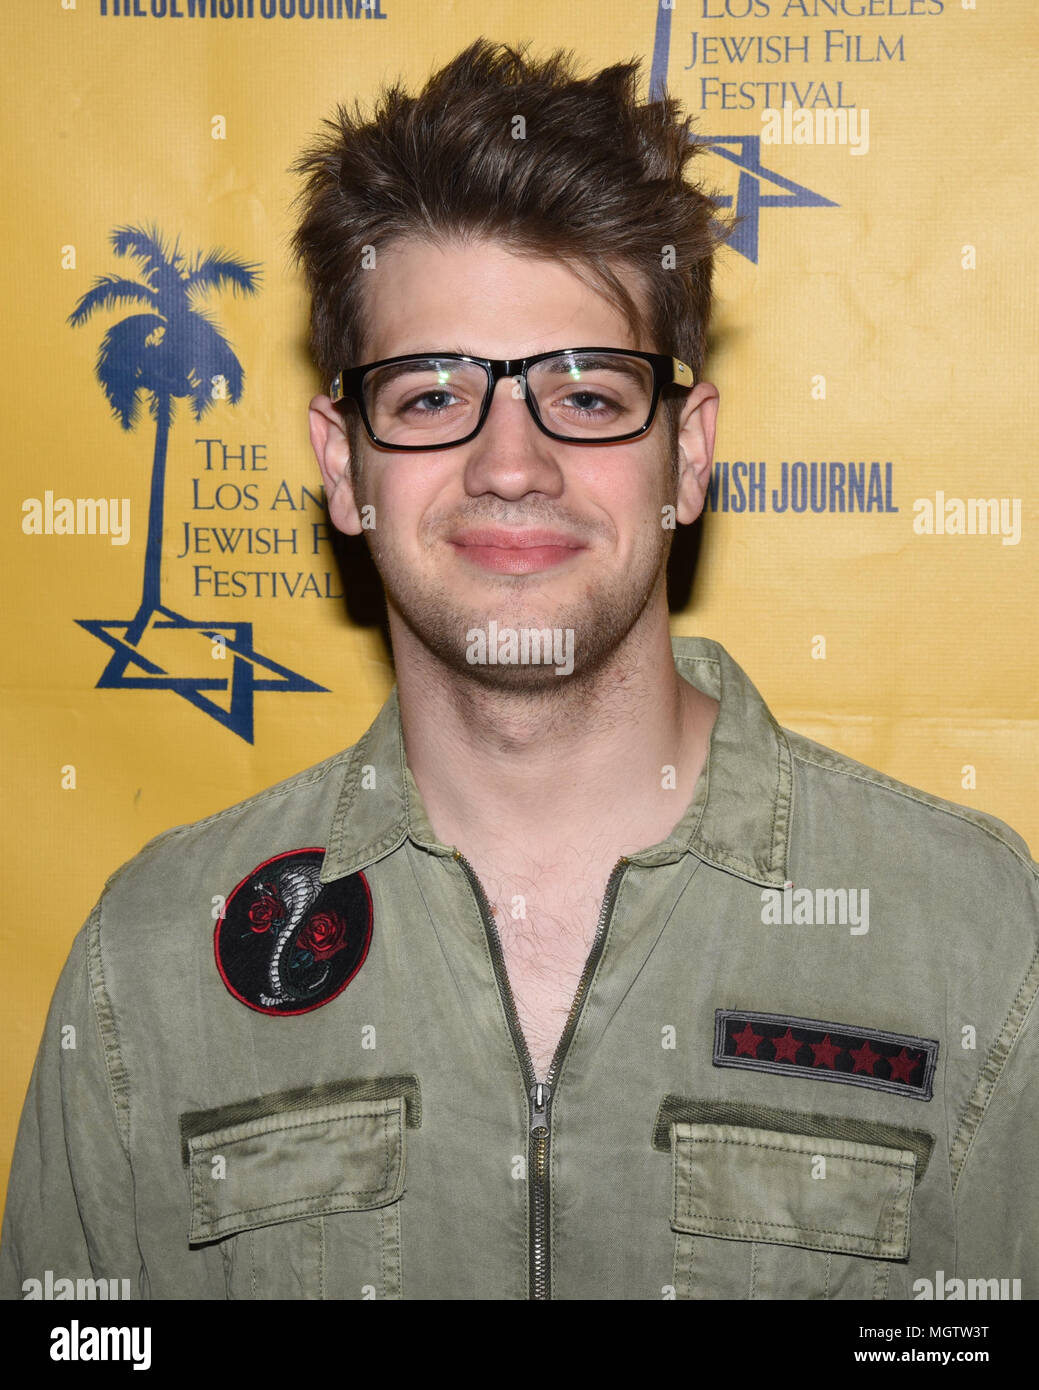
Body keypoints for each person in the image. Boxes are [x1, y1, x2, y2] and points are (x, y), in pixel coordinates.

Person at [2, 38, 1036, 1303]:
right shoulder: (155, 960)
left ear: (688, 451)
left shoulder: (970, 940)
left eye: (588, 394)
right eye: (431, 396)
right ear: (344, 465)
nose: (510, 462)